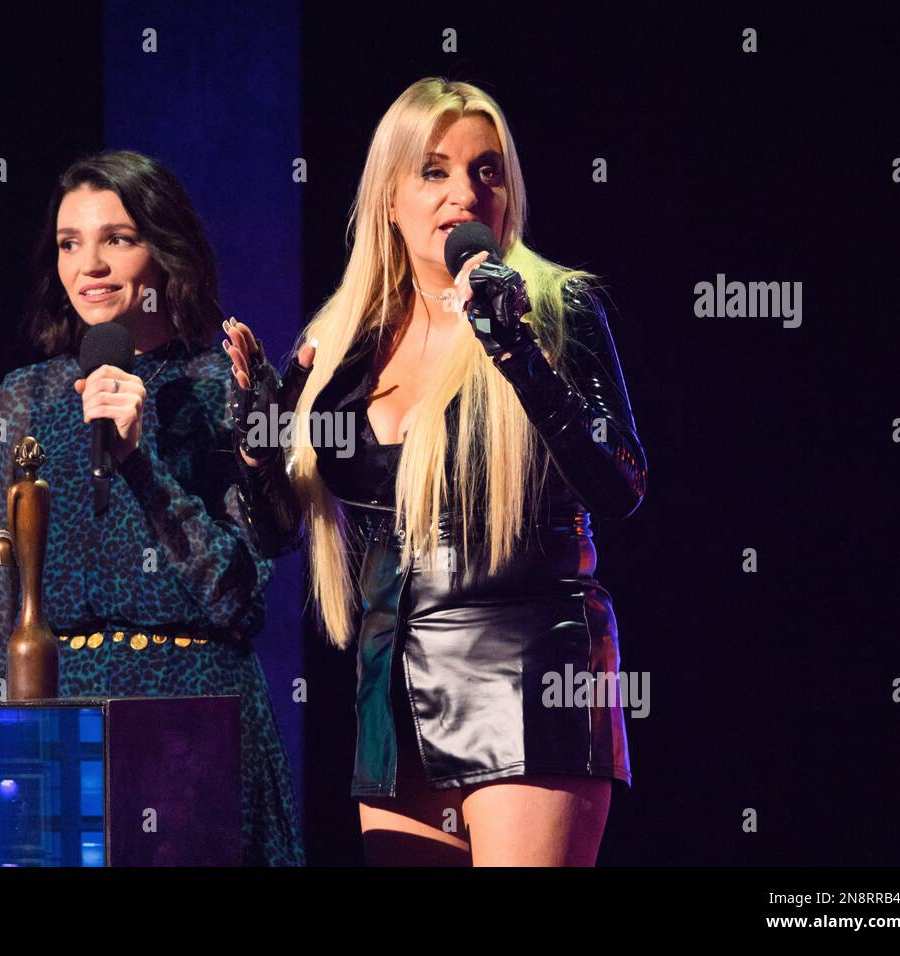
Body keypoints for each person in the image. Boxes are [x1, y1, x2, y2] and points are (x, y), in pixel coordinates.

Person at [223, 78, 647, 866]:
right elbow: (276, 535)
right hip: (393, 695)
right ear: (389, 196)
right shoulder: (347, 342)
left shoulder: (557, 310)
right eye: (435, 171)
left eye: (487, 171)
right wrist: (258, 445)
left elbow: (618, 482)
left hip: (528, 675)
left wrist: (516, 349)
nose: (465, 194)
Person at [0, 149, 305, 866]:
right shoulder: (28, 398)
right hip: (63, 733)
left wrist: (139, 462)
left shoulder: (220, 387)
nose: (91, 265)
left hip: (197, 733)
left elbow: (239, 600)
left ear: (164, 250)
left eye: (118, 238)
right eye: (69, 243)